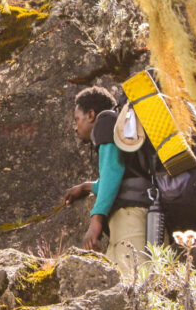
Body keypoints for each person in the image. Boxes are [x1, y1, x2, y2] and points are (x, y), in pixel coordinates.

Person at [61, 86, 154, 274]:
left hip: (131, 219)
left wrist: (95, 221)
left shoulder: (105, 122)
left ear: (91, 115)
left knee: (134, 283)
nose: (75, 127)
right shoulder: (122, 129)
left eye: (77, 119)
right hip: (141, 216)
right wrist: (87, 186)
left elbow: (112, 171)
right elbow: (124, 175)